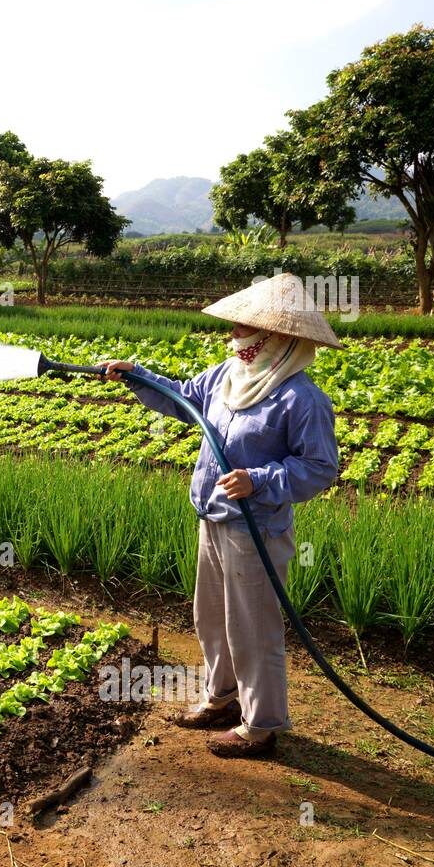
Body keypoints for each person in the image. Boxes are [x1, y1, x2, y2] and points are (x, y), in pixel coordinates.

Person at [95, 272, 341, 759]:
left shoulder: (301, 398)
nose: (233, 336)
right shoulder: (228, 376)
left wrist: (261, 479)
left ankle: (261, 725)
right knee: (211, 618)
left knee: (253, 628)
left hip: (257, 529)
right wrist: (136, 374)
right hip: (212, 517)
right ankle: (221, 699)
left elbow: (319, 467)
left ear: (276, 337)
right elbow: (185, 396)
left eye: (242, 329)